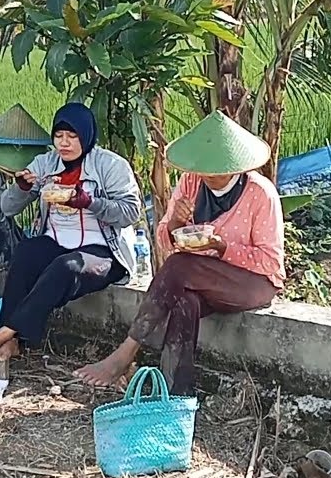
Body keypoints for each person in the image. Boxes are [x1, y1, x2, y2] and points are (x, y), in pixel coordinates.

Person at [76, 112, 285, 393]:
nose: (209, 176)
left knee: (179, 265)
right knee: (184, 302)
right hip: (198, 278)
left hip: (251, 283)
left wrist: (221, 247)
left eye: (218, 169)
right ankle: (176, 392)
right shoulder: (191, 182)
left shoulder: (260, 193)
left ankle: (126, 352)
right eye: (204, 168)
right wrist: (175, 222)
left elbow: (269, 263)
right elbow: (165, 238)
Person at [0, 102, 143, 362]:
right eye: (59, 136)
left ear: (86, 136)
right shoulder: (45, 163)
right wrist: (21, 187)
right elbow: (7, 208)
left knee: (66, 266)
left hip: (103, 252)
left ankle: (5, 333)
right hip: (57, 241)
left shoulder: (110, 165)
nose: (64, 143)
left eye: (72, 137)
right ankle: (15, 341)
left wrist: (90, 202)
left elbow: (131, 212)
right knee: (26, 253)